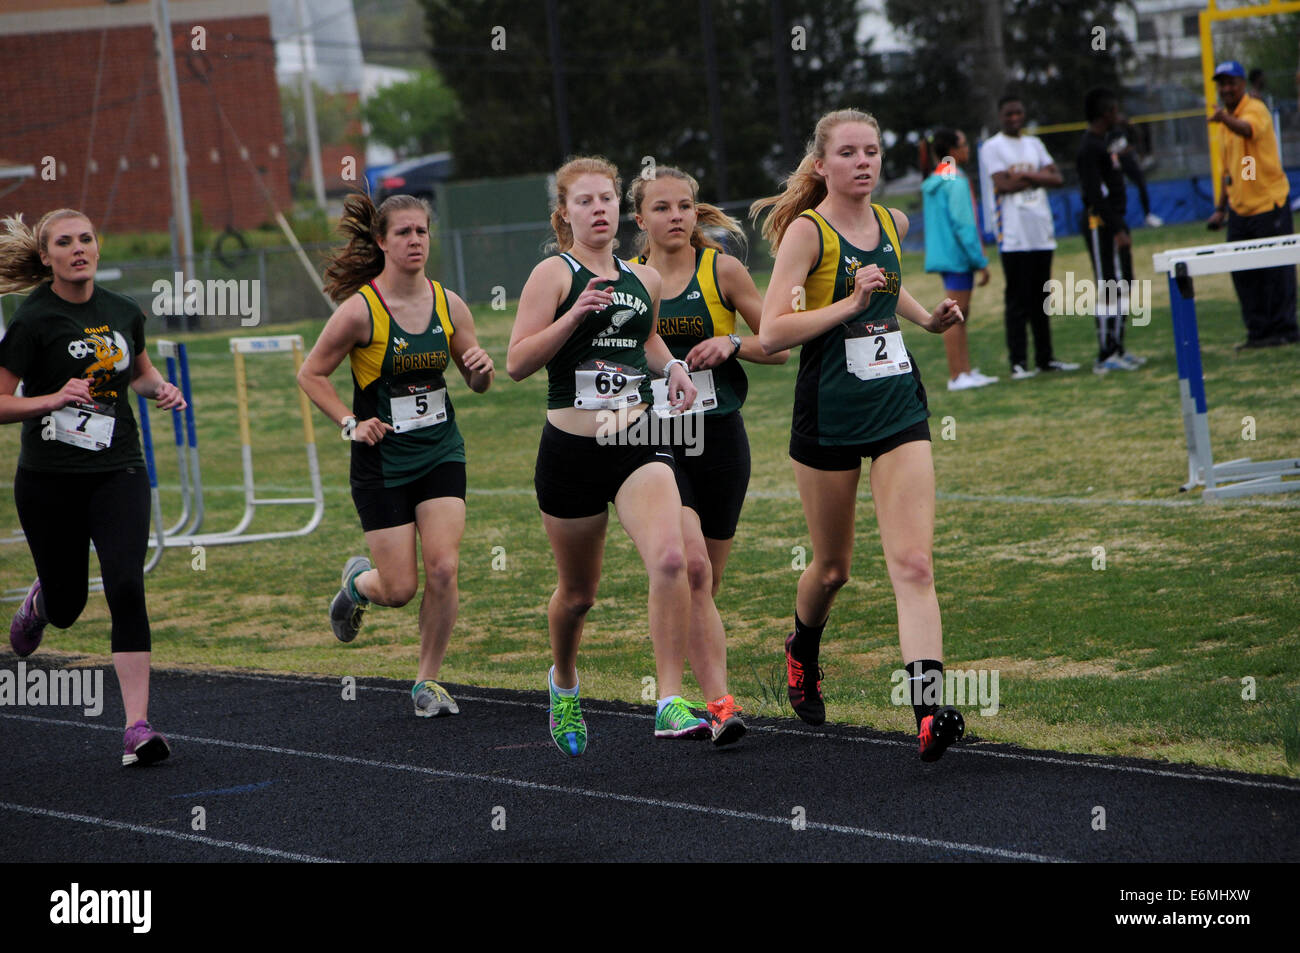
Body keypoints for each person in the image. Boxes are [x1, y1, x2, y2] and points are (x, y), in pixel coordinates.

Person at [750, 109, 967, 762]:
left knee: (915, 562)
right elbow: (769, 333)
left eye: (872, 149)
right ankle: (803, 648)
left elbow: (888, 284)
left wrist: (928, 319)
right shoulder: (807, 236)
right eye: (848, 152)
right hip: (829, 413)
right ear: (822, 165)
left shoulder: (894, 223)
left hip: (897, 404)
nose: (864, 161)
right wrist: (847, 302)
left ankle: (929, 711)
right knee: (834, 566)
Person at [507, 156, 710, 756]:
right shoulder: (553, 275)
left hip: (635, 439)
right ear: (564, 214)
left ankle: (669, 699)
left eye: (607, 199)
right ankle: (564, 682)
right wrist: (574, 314)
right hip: (571, 450)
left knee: (671, 557)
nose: (599, 209)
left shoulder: (641, 278)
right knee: (578, 595)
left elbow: (646, 337)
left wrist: (672, 366)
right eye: (585, 201)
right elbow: (518, 362)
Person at [0, 208, 185, 767]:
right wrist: (52, 399)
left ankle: (136, 726)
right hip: (49, 480)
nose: (78, 248)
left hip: (118, 469)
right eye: (65, 241)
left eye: (86, 239)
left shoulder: (123, 311)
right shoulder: (32, 320)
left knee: (127, 583)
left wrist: (160, 389)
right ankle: (42, 600)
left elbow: (138, 371)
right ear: (47, 256)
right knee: (69, 605)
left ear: (97, 248)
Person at [298, 193, 495, 718]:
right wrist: (350, 423)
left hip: (440, 452)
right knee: (401, 588)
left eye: (422, 232)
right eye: (403, 233)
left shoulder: (449, 304)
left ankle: (426, 683)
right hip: (382, 461)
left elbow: (476, 382)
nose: (414, 241)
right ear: (382, 241)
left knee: (445, 568)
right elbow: (310, 374)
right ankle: (360, 584)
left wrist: (480, 369)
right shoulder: (360, 311)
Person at [627, 166, 789, 745]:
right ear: (640, 218)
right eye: (662, 207)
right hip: (656, 442)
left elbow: (779, 343)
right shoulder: (628, 281)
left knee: (706, 582)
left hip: (720, 438)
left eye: (685, 206)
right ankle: (720, 705)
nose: (676, 216)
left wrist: (734, 342)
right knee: (690, 567)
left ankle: (688, 684)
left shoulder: (721, 269)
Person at [979, 95, 1080, 379]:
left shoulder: (1034, 144)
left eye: (1018, 113)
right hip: (1013, 235)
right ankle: (1018, 363)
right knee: (1018, 299)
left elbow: (1057, 178)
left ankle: (1045, 359)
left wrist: (1024, 177)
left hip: (1041, 233)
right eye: (1009, 114)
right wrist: (1038, 176)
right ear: (1001, 116)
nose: (1014, 118)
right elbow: (1003, 185)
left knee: (1042, 298)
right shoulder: (993, 147)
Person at [1206, 60, 1299, 348]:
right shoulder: (1225, 121)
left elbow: (1247, 130)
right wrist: (1221, 208)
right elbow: (1229, 170)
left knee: (1276, 271)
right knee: (1244, 274)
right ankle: (1257, 332)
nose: (1226, 89)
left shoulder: (1254, 109)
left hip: (1268, 204)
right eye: (1222, 84)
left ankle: (1284, 329)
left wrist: (1224, 119)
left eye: (1231, 82)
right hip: (1240, 209)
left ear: (1242, 84)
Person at [919, 128, 997, 391]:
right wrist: (980, 260)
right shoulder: (955, 181)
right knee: (955, 316)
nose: (967, 149)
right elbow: (964, 225)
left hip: (947, 256)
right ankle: (957, 375)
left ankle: (964, 371)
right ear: (952, 151)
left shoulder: (939, 178)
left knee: (960, 315)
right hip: (959, 258)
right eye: (963, 144)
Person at [1078, 87, 1147, 374]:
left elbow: (1132, 152)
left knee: (1124, 282)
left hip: (1115, 219)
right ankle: (1106, 354)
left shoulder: (1105, 142)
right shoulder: (1089, 148)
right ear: (1105, 113)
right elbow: (1095, 194)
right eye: (1115, 110)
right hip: (1101, 223)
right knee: (1110, 284)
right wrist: (1116, 227)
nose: (1118, 115)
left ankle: (1118, 347)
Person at [1108, 111, 1162, 228]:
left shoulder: (1126, 129)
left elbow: (1136, 139)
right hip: (1114, 163)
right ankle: (1116, 218)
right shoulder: (1108, 131)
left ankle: (1148, 215)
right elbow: (1108, 149)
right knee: (1115, 190)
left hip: (1127, 161)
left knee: (1141, 184)